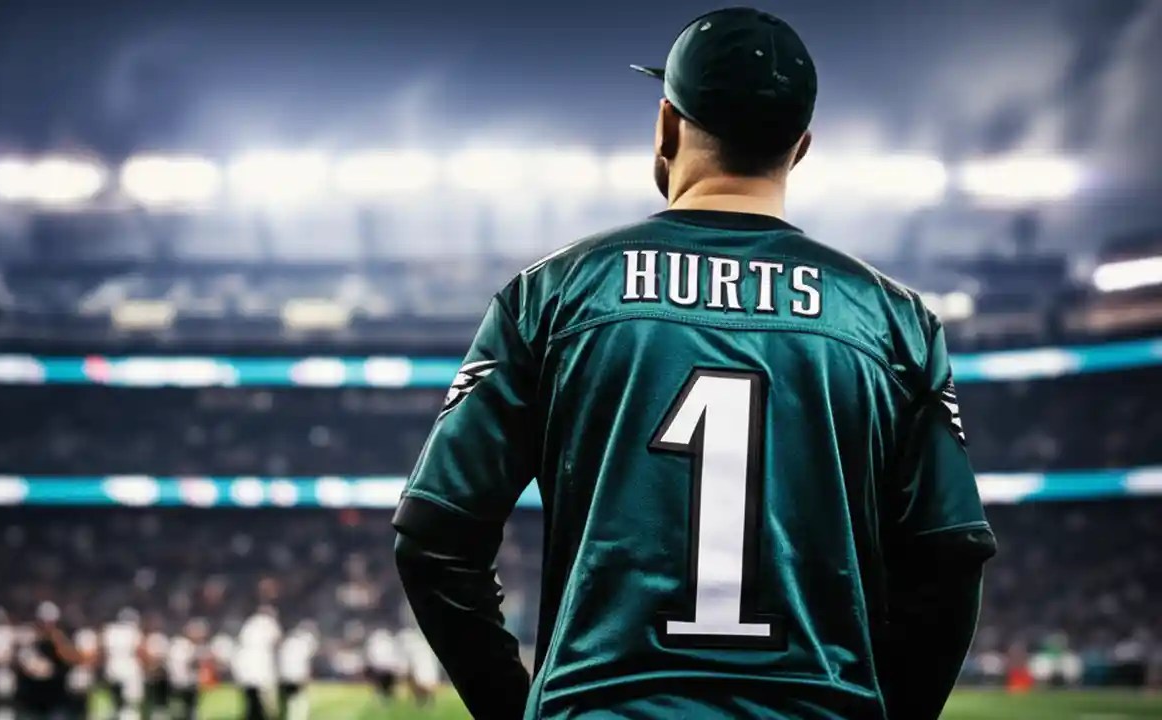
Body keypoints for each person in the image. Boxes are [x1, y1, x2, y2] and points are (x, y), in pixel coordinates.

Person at [393, 7, 997, 719]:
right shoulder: (893, 321)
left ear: (667, 127)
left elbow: (434, 538)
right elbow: (950, 562)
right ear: (800, 146)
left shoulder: (552, 296)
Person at [234, 606, 281, 720]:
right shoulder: (268, 623)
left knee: (250, 700)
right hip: (261, 664)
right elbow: (278, 640)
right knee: (264, 700)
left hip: (245, 665)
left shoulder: (249, 624)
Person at [275, 621, 317, 720]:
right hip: (297, 675)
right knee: (299, 699)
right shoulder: (304, 644)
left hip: (285, 675)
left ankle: (288, 716)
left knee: (288, 700)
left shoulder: (287, 643)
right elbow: (305, 660)